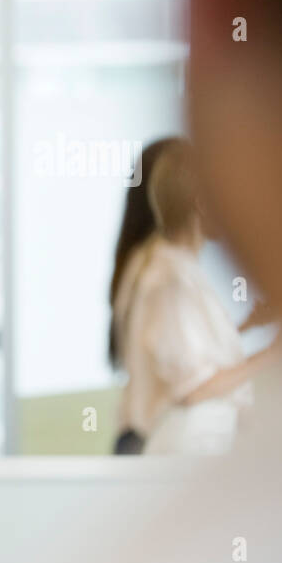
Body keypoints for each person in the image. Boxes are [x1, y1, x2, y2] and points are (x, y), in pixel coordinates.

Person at [111, 138, 269, 454]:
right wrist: (276, 351)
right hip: (166, 443)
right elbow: (193, 386)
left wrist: (242, 330)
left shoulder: (175, 268)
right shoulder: (167, 276)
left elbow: (183, 351)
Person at [107, 137, 174, 453]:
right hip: (148, 438)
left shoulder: (137, 259)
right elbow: (183, 368)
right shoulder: (161, 266)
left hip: (134, 435)